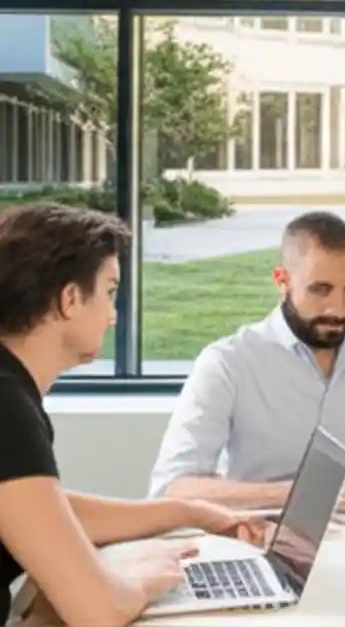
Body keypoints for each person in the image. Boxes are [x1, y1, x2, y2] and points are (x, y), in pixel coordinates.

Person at [0, 204, 269, 626]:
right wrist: (145, 577)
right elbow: (99, 611)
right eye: (109, 291)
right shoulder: (7, 409)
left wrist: (190, 512)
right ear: (70, 299)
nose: (113, 316)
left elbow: (42, 511)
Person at [149, 211, 345, 509]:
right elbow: (173, 488)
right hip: (264, 539)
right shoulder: (228, 363)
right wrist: (317, 493)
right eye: (321, 290)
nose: (338, 309)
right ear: (282, 281)